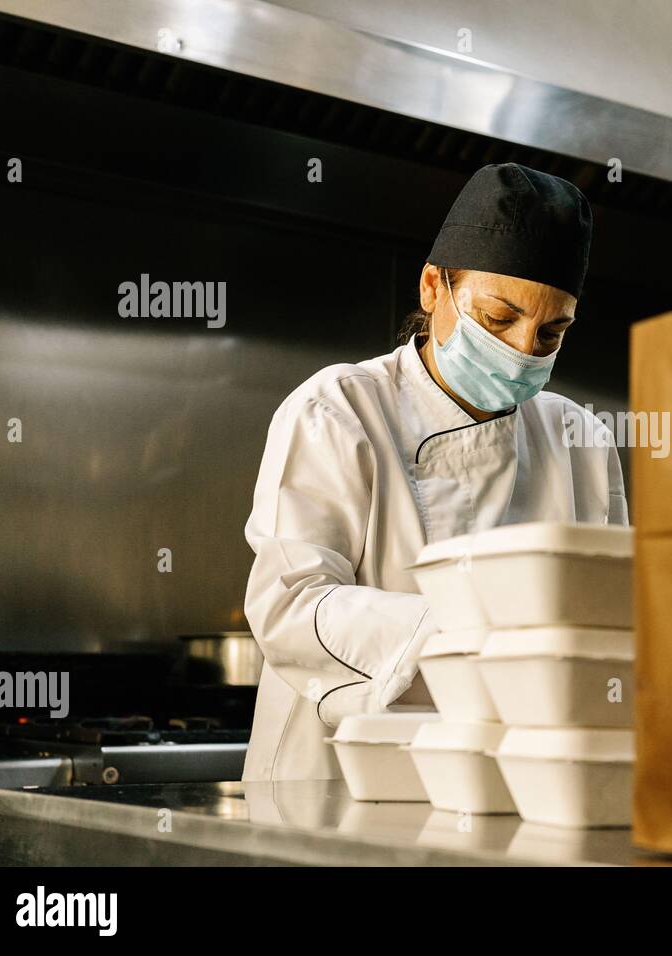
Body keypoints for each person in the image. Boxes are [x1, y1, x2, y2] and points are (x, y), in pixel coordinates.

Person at [241, 164, 626, 781]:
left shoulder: (580, 440)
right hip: (338, 786)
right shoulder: (338, 409)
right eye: (499, 318)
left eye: (551, 332)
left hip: (519, 787)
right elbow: (290, 607)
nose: (524, 349)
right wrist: (469, 632)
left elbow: (606, 623)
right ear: (432, 288)